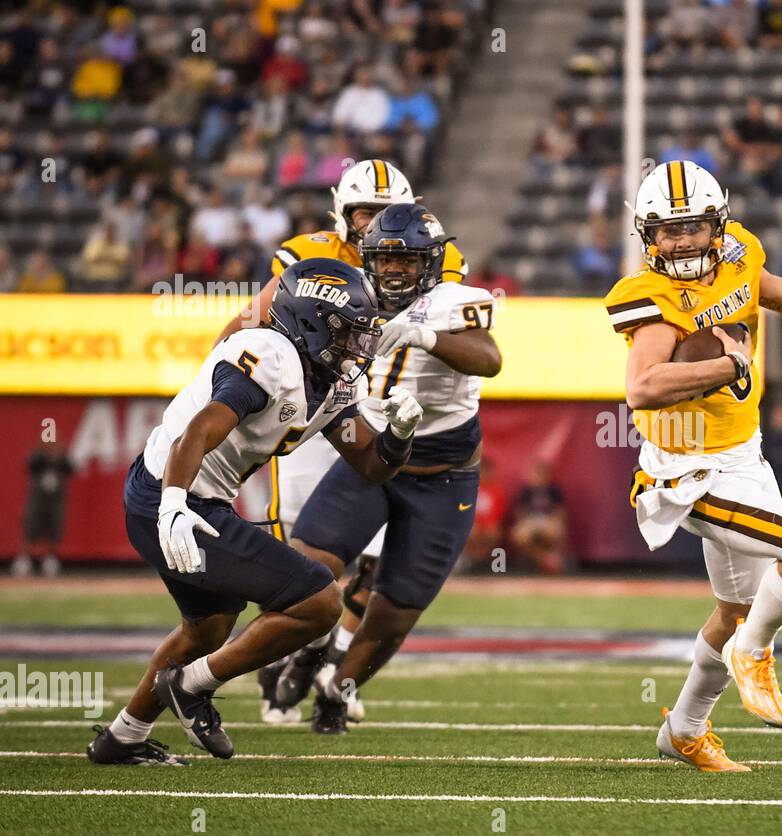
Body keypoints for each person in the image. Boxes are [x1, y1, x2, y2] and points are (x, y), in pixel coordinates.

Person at [87, 259, 423, 765]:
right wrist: (175, 503)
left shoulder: (326, 380)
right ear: (312, 322)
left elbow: (370, 466)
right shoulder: (268, 355)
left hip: (187, 496)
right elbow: (197, 430)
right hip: (172, 494)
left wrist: (398, 437)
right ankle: (192, 687)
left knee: (207, 630)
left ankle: (123, 736)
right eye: (349, 332)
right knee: (319, 602)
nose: (360, 346)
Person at [209, 160, 467, 724]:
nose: (377, 223)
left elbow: (466, 330)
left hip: (373, 408)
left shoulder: (431, 256)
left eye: (385, 211)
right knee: (304, 554)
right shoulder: (307, 253)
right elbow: (252, 318)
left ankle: (326, 656)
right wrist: (224, 365)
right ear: (342, 213)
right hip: (311, 405)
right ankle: (283, 650)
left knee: (374, 561)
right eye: (365, 213)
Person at [607, 160, 782, 771]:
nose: (682, 240)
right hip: (687, 473)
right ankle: (755, 651)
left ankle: (683, 729)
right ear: (646, 237)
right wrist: (728, 366)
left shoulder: (740, 254)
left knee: (733, 610)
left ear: (720, 224)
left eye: (693, 226)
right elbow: (643, 388)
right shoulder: (648, 296)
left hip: (743, 455)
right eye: (667, 229)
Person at [288, 204, 502, 734]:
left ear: (432, 262)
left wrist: (421, 336)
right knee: (304, 566)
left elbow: (489, 359)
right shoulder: (348, 293)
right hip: (373, 455)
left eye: (408, 260)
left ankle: (339, 690)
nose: (395, 270)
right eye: (385, 259)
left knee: (397, 608)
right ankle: (307, 647)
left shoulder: (455, 300)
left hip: (442, 472)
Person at [13, 441, 73, 578]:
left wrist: (60, 455)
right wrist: (45, 454)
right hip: (37, 498)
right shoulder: (38, 456)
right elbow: (30, 465)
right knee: (30, 528)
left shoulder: (62, 458)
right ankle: (25, 560)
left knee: (54, 529)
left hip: (56, 499)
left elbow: (71, 469)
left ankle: (49, 560)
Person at [509, 461, 568, 574]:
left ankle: (548, 561)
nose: (539, 478)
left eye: (542, 475)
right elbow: (521, 514)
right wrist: (526, 524)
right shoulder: (526, 492)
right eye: (537, 475)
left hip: (548, 520)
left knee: (555, 532)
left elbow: (561, 513)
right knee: (520, 535)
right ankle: (544, 560)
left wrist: (553, 522)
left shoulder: (554, 491)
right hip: (530, 521)